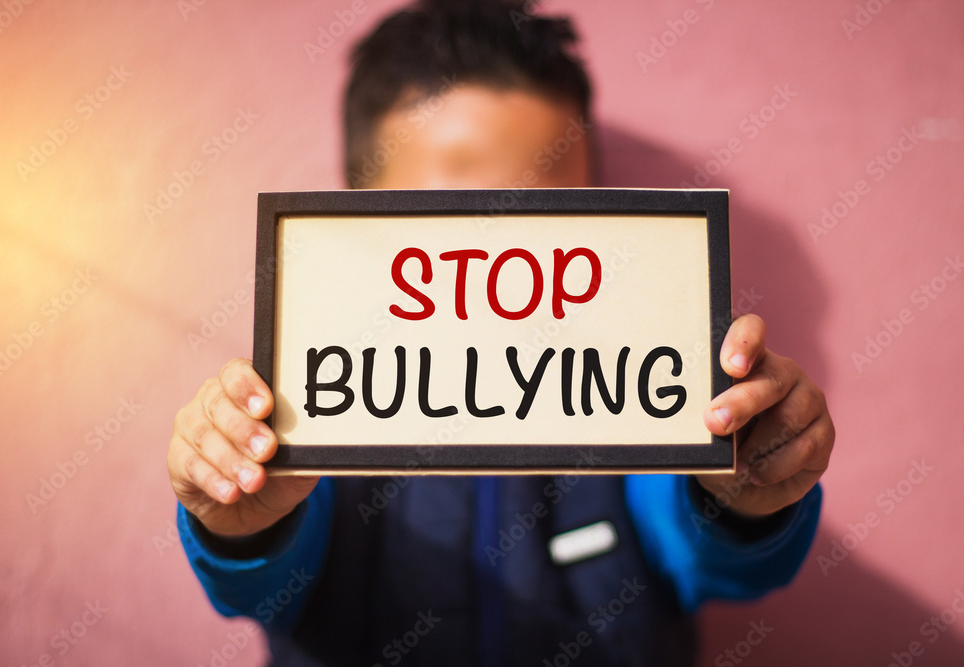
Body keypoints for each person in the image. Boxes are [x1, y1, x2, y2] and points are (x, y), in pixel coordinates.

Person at [167, 1, 835, 665]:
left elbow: (716, 559)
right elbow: (259, 587)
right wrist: (244, 521)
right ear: (350, 219)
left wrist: (745, 494)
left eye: (548, 216)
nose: (501, 267)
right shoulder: (306, 406)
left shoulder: (644, 395)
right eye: (458, 218)